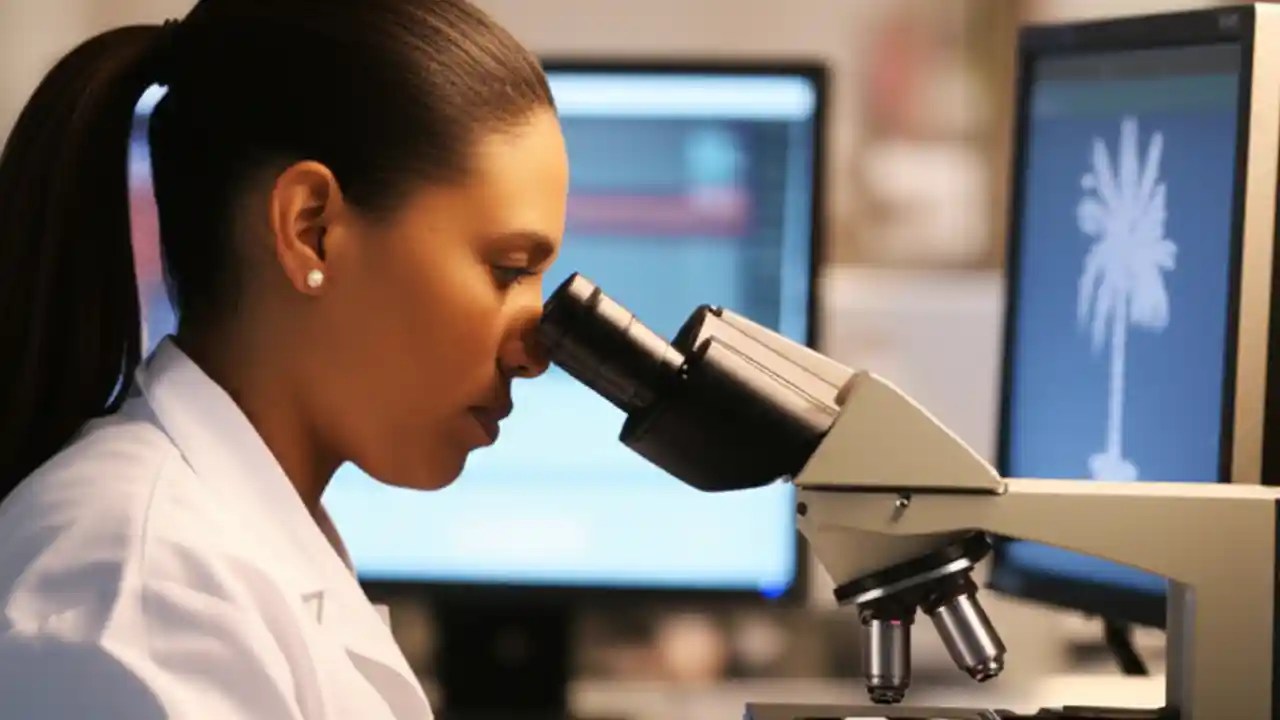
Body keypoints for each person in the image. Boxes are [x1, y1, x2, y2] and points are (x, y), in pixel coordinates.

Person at [0, 0, 568, 717]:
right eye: (509, 268)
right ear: (312, 230)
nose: (536, 350)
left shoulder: (228, 552)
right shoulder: (147, 601)